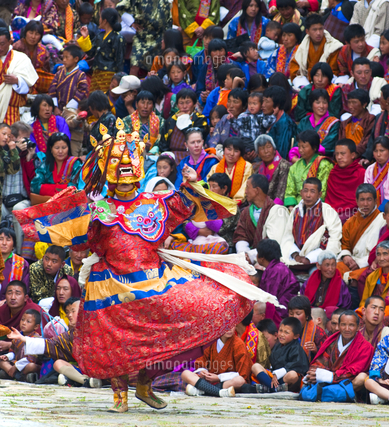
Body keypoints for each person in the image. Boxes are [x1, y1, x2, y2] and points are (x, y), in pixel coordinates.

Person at [19, 121, 275, 413]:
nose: (125, 178)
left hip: (154, 281)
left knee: (186, 327)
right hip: (111, 284)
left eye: (130, 172)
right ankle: (120, 395)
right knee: (116, 343)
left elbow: (197, 209)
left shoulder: (157, 202)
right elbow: (81, 243)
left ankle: (144, 383)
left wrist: (192, 183)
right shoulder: (100, 209)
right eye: (119, 170)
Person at [4, 297, 103, 388]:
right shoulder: (71, 334)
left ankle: (78, 380)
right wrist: (22, 338)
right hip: (84, 371)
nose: (69, 315)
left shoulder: (97, 329)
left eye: (73, 311)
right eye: (68, 312)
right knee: (58, 363)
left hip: (101, 368)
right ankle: (86, 381)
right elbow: (51, 343)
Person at [281, 178, 342, 267]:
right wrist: (296, 255)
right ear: (301, 193)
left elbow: (334, 239)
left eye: (312, 191)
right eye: (305, 191)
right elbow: (288, 236)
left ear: (319, 194)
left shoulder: (328, 211)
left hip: (318, 260)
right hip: (295, 259)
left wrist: (309, 258)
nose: (308, 195)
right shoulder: (296, 211)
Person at [307, 310, 374, 392]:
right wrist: (314, 372)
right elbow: (321, 360)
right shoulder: (332, 341)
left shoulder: (365, 347)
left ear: (358, 327)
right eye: (343, 325)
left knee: (361, 377)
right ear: (338, 326)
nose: (347, 329)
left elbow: (353, 373)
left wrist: (330, 376)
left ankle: (334, 393)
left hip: (347, 385)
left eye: (351, 325)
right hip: (328, 380)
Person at [233, 174, 289, 263]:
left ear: (257, 190)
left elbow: (273, 241)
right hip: (247, 258)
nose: (245, 192)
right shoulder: (246, 212)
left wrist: (251, 256)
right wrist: (243, 253)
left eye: (247, 188)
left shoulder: (277, 211)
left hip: (270, 260)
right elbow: (241, 235)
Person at [181, 328, 250, 398]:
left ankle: (202, 391)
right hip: (207, 380)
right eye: (226, 325)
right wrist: (203, 371)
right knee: (185, 373)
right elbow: (201, 362)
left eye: (232, 325)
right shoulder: (211, 341)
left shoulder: (239, 344)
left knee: (240, 380)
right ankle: (219, 392)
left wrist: (219, 378)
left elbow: (242, 374)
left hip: (226, 382)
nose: (229, 329)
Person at [336, 184, 385, 280]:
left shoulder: (383, 220)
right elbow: (345, 245)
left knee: (358, 277)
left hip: (372, 262)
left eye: (369, 200)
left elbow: (384, 248)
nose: (365, 204)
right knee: (336, 269)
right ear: (357, 201)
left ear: (375, 201)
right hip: (352, 261)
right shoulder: (350, 222)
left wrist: (361, 263)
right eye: (362, 200)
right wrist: (346, 256)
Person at [251, 317, 309, 393]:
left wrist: (277, 374)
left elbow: (296, 365)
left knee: (292, 375)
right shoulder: (277, 346)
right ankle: (272, 388)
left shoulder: (296, 348)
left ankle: (268, 388)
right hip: (274, 378)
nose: (281, 334)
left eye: (286, 332)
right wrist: (272, 374)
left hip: (285, 379)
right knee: (255, 366)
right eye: (280, 331)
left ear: (296, 336)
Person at [77, 8, 125, 92]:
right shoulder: (99, 36)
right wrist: (85, 37)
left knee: (104, 99)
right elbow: (91, 53)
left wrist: (118, 78)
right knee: (93, 98)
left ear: (104, 20)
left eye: (100, 17)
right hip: (96, 73)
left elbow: (119, 60)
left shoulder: (118, 38)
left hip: (109, 75)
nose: (99, 20)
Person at [283, 131, 333, 207]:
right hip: (296, 207)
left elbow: (323, 191)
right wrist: (291, 207)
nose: (300, 150)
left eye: (304, 147)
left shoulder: (324, 164)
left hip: (316, 206)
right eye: (299, 147)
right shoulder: (295, 166)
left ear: (314, 147)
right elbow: (290, 191)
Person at [255, 239, 298, 325]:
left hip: (281, 313)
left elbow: (270, 298)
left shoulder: (276, 270)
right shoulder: (275, 267)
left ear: (262, 257)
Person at [290, 13, 343, 80]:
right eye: (314, 30)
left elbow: (334, 70)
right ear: (307, 31)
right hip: (306, 81)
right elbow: (295, 69)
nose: (318, 33)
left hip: (326, 80)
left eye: (320, 29)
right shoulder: (301, 48)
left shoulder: (333, 47)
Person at [162, 90, 210, 163]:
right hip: (172, 156)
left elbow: (199, 135)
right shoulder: (171, 120)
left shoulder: (200, 119)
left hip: (193, 155)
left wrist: (184, 121)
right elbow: (163, 142)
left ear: (194, 104)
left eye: (188, 103)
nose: (184, 106)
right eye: (181, 103)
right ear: (177, 105)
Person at [325, 139, 366, 222]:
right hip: (330, 212)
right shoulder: (334, 172)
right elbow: (329, 199)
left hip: (351, 214)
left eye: (343, 154)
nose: (339, 157)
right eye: (337, 154)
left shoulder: (361, 173)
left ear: (353, 155)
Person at [31, 133, 82, 198]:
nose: (60, 151)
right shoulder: (45, 164)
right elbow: (35, 187)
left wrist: (47, 188)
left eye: (64, 148)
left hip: (68, 203)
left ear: (68, 148)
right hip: (46, 202)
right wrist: (63, 188)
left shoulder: (75, 164)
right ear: (51, 149)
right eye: (57, 148)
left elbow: (75, 188)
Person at [0, 308, 41, 381]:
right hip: (15, 363)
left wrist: (16, 366)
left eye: (28, 321)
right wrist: (7, 356)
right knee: (2, 362)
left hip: (26, 365)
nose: (24, 323)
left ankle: (12, 374)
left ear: (36, 326)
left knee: (32, 366)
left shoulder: (36, 339)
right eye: (22, 320)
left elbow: (31, 359)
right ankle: (19, 376)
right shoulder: (17, 335)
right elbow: (12, 351)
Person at [296, 88, 340, 155]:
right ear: (311, 104)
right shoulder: (304, 122)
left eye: (324, 102)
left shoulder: (334, 123)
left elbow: (328, 146)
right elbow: (297, 143)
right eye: (318, 102)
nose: (321, 106)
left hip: (322, 159)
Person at [209, 137, 253, 204]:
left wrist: (233, 203)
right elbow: (209, 186)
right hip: (217, 203)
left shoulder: (247, 166)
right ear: (224, 150)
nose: (232, 154)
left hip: (239, 205)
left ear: (240, 153)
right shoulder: (215, 167)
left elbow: (245, 187)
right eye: (229, 149)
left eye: (236, 151)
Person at [12, 20, 51, 94]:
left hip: (38, 80)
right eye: (31, 33)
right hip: (20, 79)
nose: (33, 37)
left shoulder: (43, 50)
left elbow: (46, 70)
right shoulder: (17, 47)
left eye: (37, 34)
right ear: (25, 33)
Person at [364, 136, 389, 205]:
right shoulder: (370, 169)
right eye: (376, 151)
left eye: (382, 151)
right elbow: (365, 190)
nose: (378, 155)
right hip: (370, 207)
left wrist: (382, 210)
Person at [251, 136, 290, 205]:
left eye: (268, 147)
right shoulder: (257, 169)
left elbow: (281, 193)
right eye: (262, 149)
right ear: (258, 154)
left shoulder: (284, 166)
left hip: (276, 206)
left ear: (274, 149)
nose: (266, 151)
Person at [288, 295, 327, 361]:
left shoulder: (318, 332)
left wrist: (316, 350)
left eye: (298, 314)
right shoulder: (286, 329)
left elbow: (328, 357)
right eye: (291, 314)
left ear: (307, 315)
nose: (294, 317)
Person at [263, 86, 297, 160]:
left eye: (267, 101)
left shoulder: (285, 124)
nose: (263, 105)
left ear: (277, 105)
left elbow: (282, 153)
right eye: (263, 101)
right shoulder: (269, 119)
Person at [340, 89, 376, 155]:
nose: (350, 106)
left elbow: (367, 142)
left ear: (364, 104)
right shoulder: (345, 123)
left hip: (360, 156)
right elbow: (340, 142)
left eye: (354, 103)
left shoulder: (371, 120)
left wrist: (353, 154)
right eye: (349, 102)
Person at [0, 229, 29, 300]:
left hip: (12, 303)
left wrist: (6, 301)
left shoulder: (21, 263)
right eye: (1, 239)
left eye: (8, 240)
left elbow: (25, 288)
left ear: (14, 245)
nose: (4, 243)